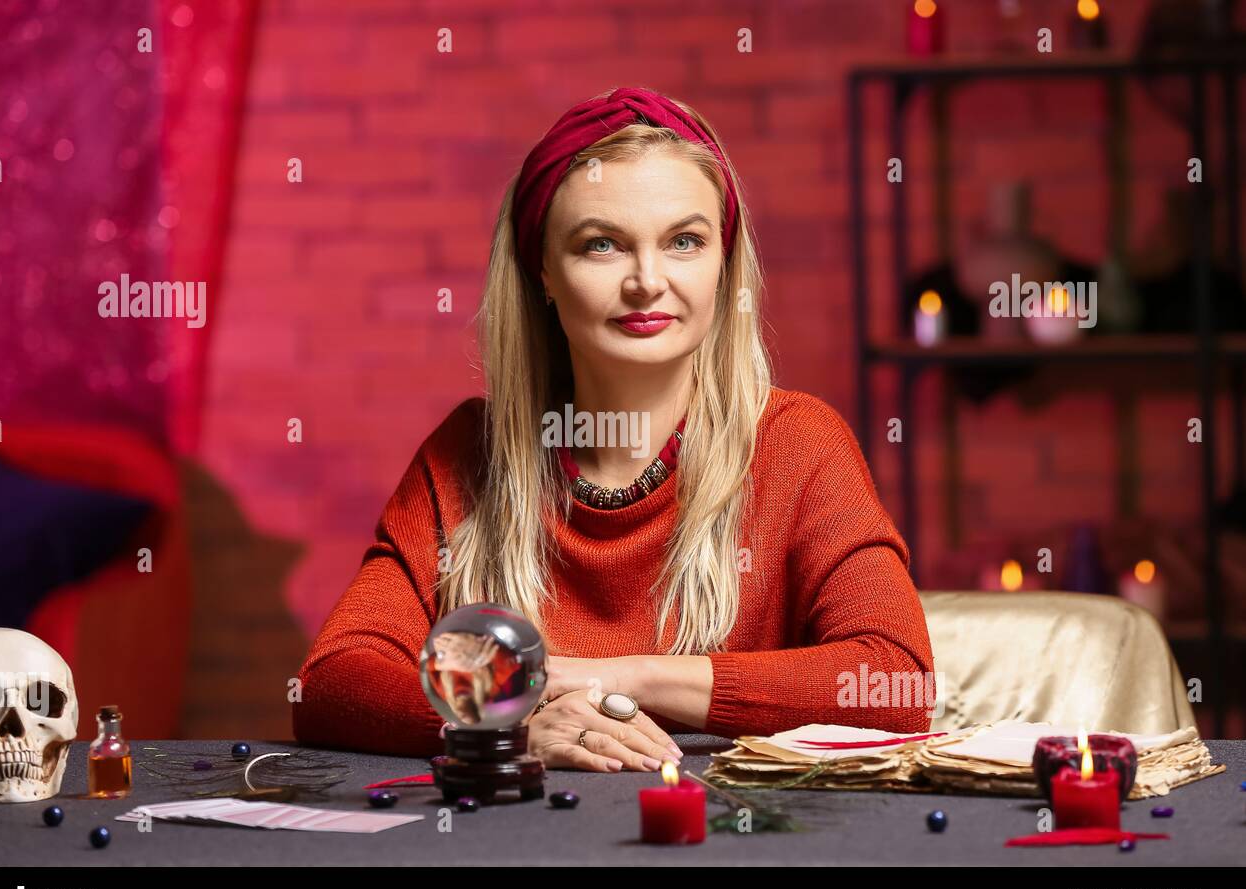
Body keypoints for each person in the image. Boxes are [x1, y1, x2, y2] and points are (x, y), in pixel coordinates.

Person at [292, 87, 934, 771]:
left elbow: (894, 677)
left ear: (724, 260)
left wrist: (625, 678)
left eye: (685, 241)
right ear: (543, 271)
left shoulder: (799, 443)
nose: (647, 281)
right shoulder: (468, 452)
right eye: (602, 245)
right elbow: (332, 680)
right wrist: (503, 733)